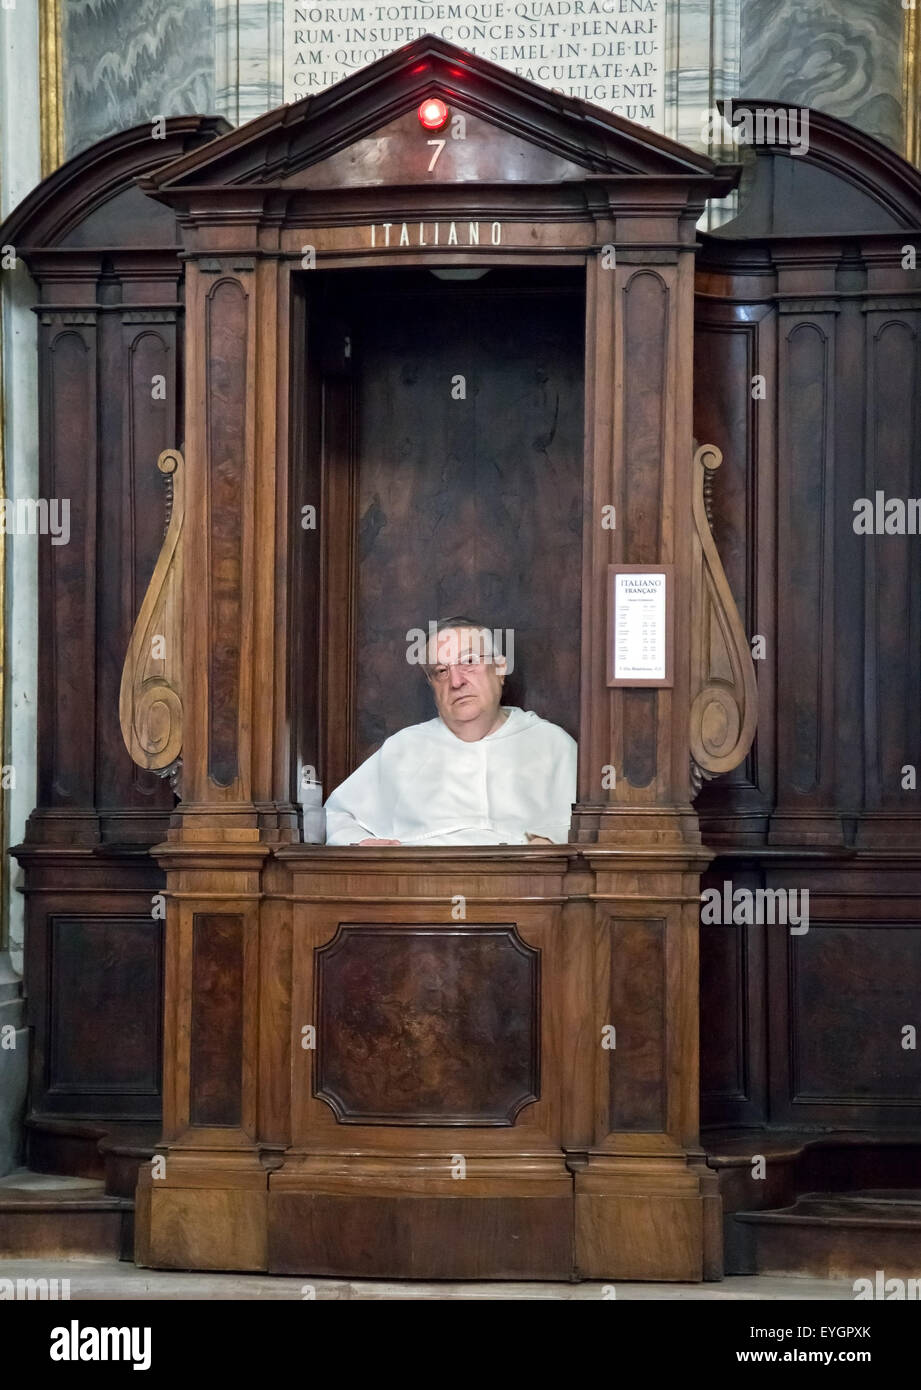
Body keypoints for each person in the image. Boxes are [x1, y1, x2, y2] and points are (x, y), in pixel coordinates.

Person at [323, 617, 577, 846]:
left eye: (468, 662)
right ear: (432, 685)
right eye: (441, 671)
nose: (456, 681)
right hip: (418, 889)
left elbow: (591, 827)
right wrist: (361, 842)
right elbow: (335, 815)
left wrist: (551, 840)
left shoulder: (551, 744)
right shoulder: (403, 749)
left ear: (500, 668)